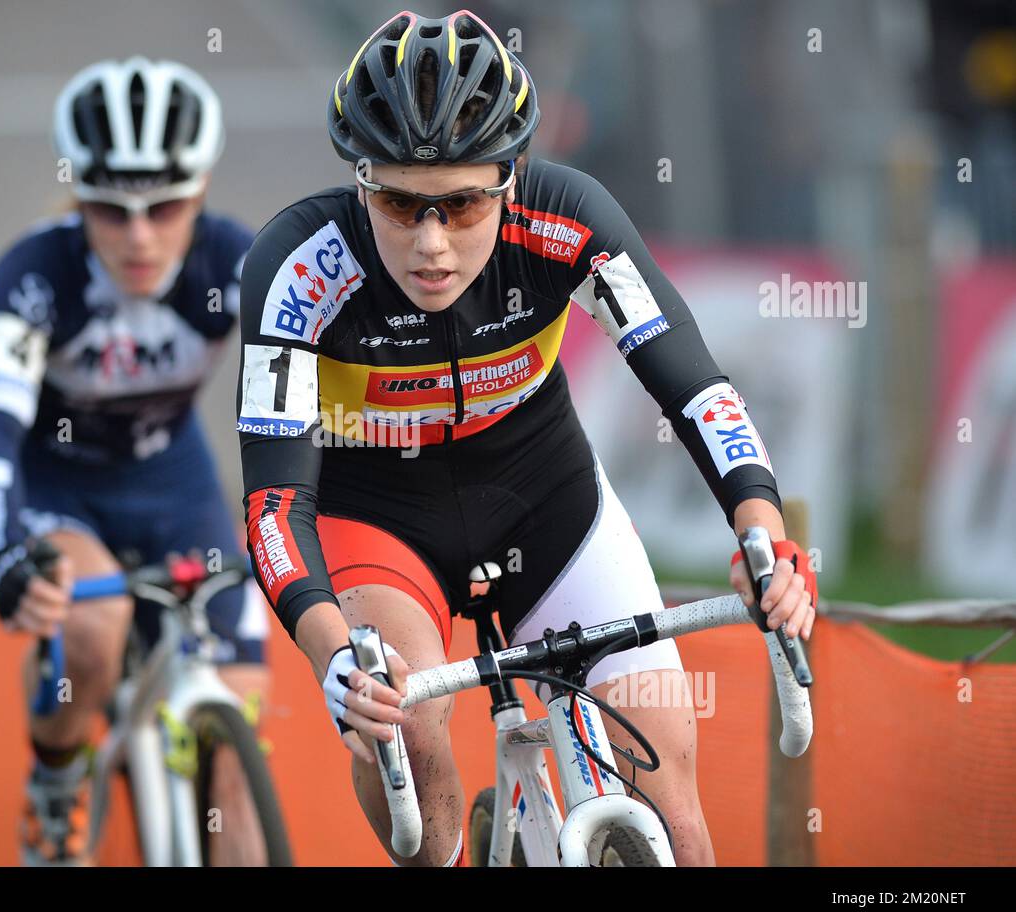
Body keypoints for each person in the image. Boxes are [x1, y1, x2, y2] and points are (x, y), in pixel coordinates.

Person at [236, 9, 818, 866]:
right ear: (360, 183)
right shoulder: (298, 265)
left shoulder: (569, 217)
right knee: (411, 748)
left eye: (465, 203)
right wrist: (337, 657)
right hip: (381, 528)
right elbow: (275, 502)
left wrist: (761, 529)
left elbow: (695, 388)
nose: (432, 243)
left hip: (549, 504)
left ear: (509, 179)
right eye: (400, 202)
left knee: (678, 825)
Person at [0, 56, 270, 866]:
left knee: (234, 756)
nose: (139, 236)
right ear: (80, 198)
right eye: (111, 208)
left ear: (199, 192)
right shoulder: (35, 276)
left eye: (164, 206)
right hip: (59, 489)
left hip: (175, 486)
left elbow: (324, 373)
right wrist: (3, 552)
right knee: (94, 631)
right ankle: (57, 783)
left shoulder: (233, 261)